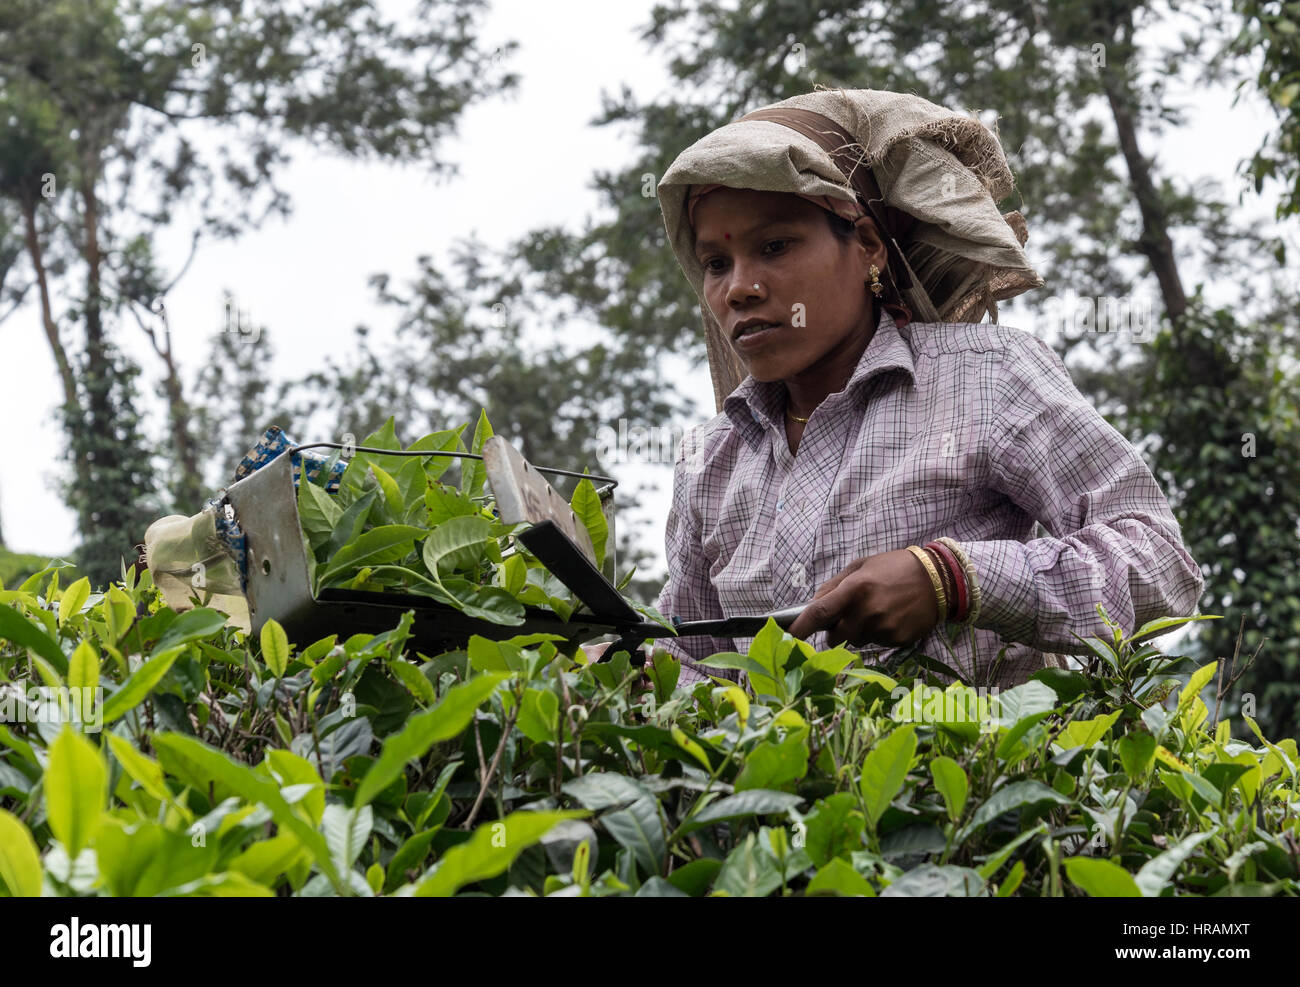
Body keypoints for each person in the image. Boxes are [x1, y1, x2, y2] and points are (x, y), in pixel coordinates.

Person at [643, 87, 1205, 691]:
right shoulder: (712, 460)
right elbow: (696, 663)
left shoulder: (987, 377)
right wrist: (635, 676)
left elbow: (1162, 570)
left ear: (867, 248)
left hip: (980, 780)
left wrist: (952, 581)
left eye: (774, 246)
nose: (739, 289)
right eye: (715, 263)